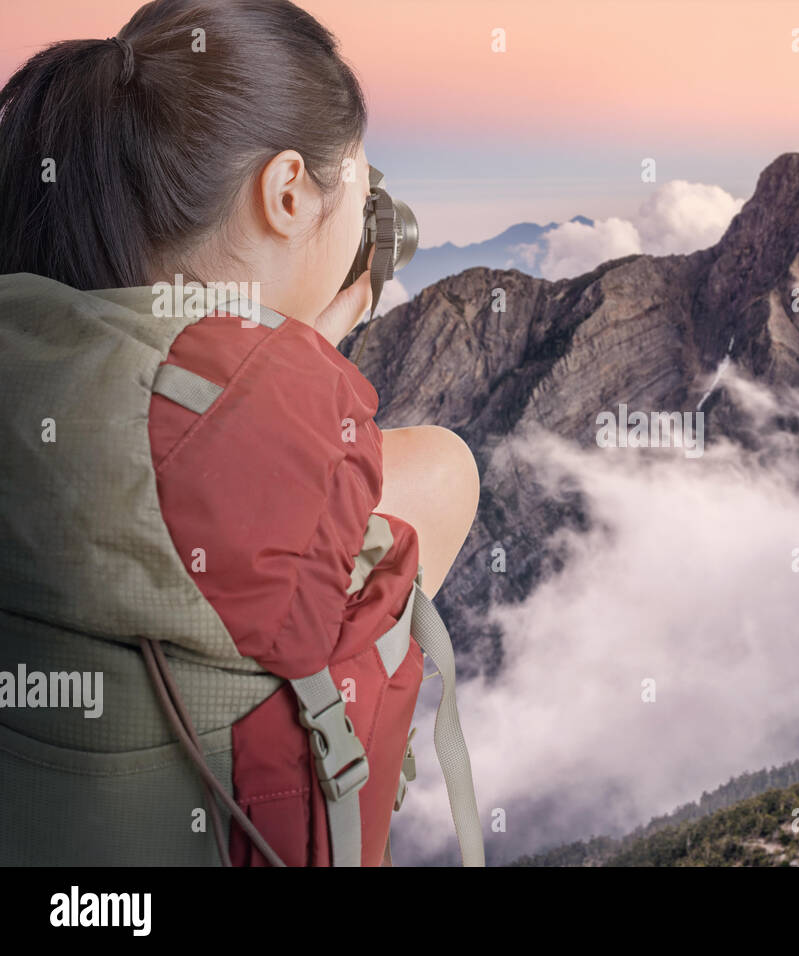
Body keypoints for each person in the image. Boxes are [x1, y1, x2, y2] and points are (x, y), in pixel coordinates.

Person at [0, 0, 480, 866]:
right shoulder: (415, 484)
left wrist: (259, 361)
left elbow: (133, 425)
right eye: (361, 190)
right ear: (287, 192)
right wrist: (285, 369)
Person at [0, 0, 478, 603]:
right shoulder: (428, 482)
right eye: (361, 192)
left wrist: (276, 361)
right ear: (287, 194)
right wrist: (299, 366)